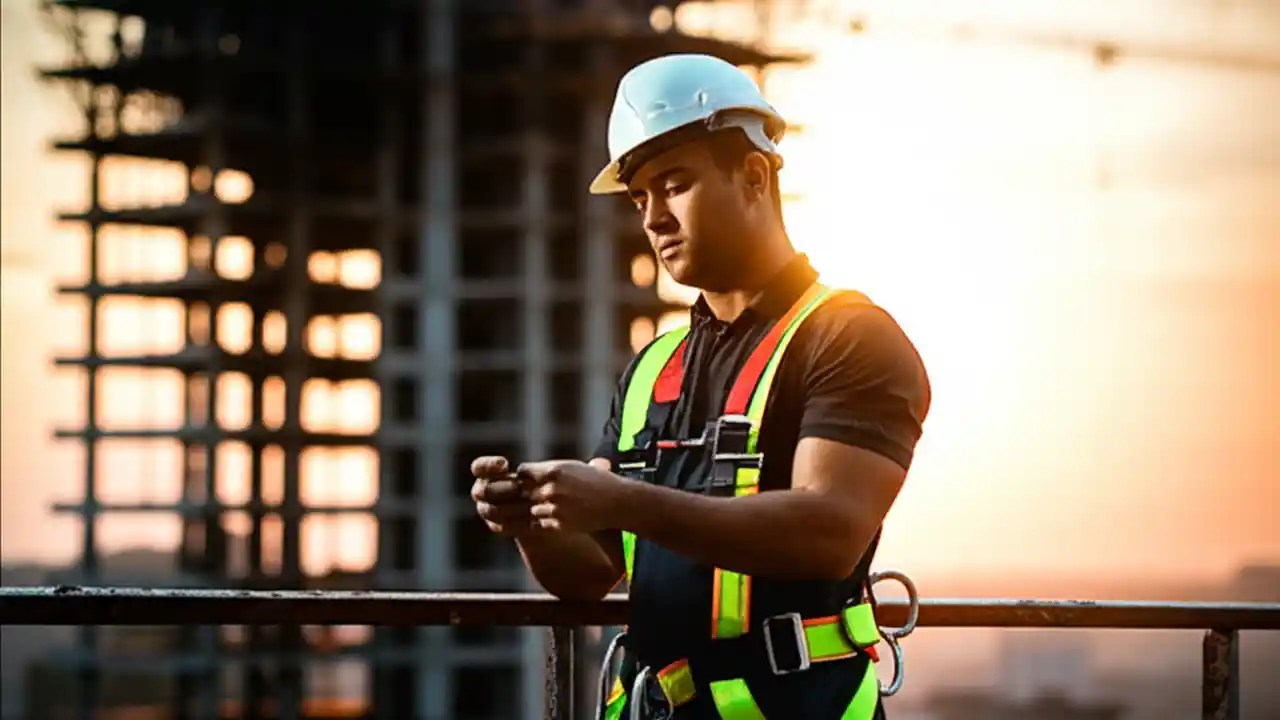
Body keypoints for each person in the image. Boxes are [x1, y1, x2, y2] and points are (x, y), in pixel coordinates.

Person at [470, 53, 930, 720]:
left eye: (675, 184)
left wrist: (621, 500)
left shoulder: (849, 337)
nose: (653, 216)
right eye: (640, 197)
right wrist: (533, 523)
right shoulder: (653, 369)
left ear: (753, 174)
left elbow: (830, 531)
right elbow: (589, 571)